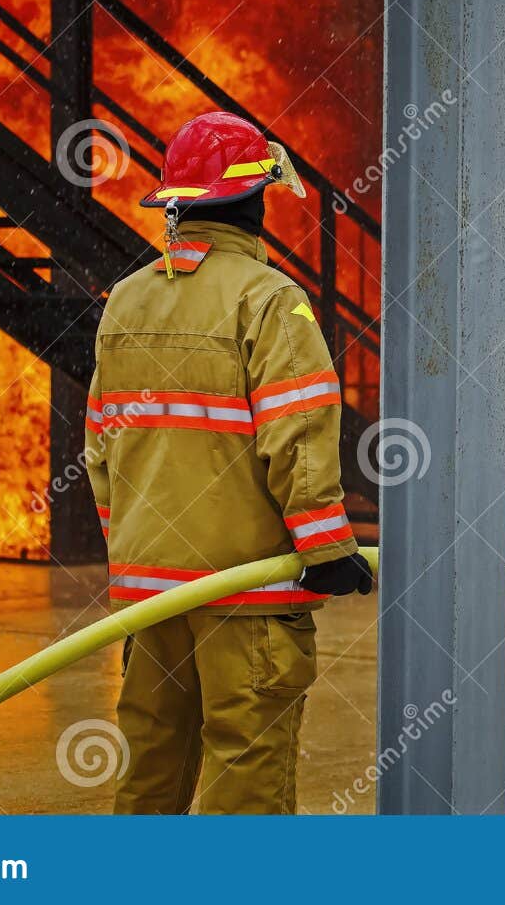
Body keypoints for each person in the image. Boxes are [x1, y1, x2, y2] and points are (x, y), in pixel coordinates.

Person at [85, 111, 373, 815]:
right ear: (256, 201)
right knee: (244, 774)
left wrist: (137, 546)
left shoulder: (126, 298)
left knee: (152, 767)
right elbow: (297, 431)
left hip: (154, 593)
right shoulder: (269, 299)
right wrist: (327, 546)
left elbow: (101, 448)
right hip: (247, 596)